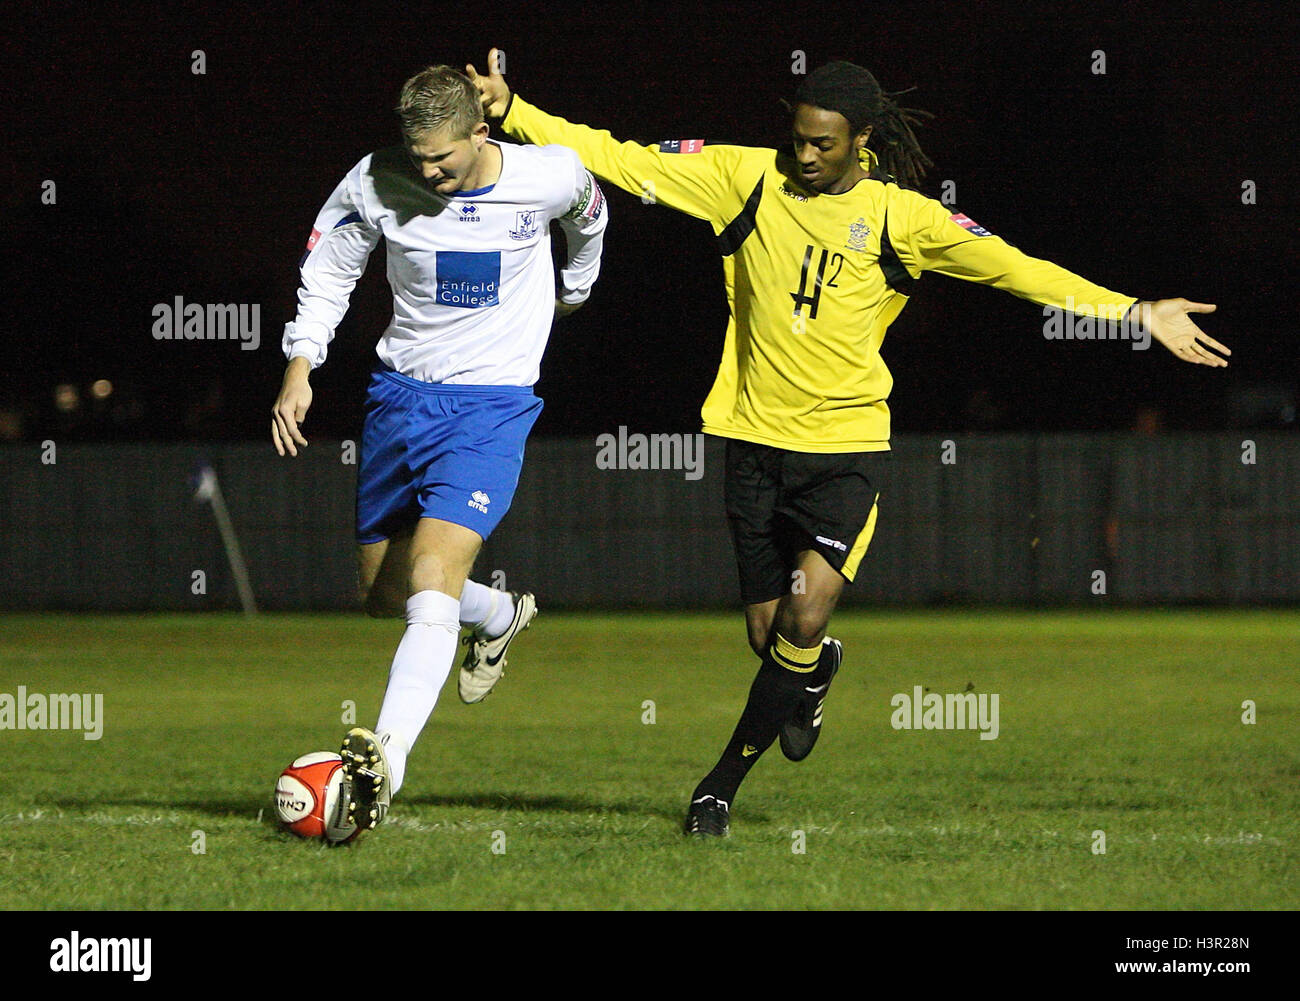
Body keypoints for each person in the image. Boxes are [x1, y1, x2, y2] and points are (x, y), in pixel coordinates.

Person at [467, 51, 1230, 838]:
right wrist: (515, 107)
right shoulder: (742, 177)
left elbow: (1016, 270)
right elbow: (612, 156)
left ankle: (717, 787)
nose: (804, 155)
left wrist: (1135, 311)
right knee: (772, 637)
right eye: (797, 138)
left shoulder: (905, 218)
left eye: (822, 144)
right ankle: (817, 666)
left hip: (846, 449)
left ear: (861, 140)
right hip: (753, 444)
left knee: (801, 612)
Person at [272, 65, 608, 833]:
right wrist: (300, 366)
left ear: (480, 135)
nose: (428, 172)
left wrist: (578, 285)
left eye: (443, 160)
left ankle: (382, 762)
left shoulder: (546, 175)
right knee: (385, 595)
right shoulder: (374, 181)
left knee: (431, 573)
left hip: (492, 407)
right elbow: (327, 272)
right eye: (418, 157)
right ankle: (497, 614)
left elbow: (592, 214)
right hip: (398, 399)